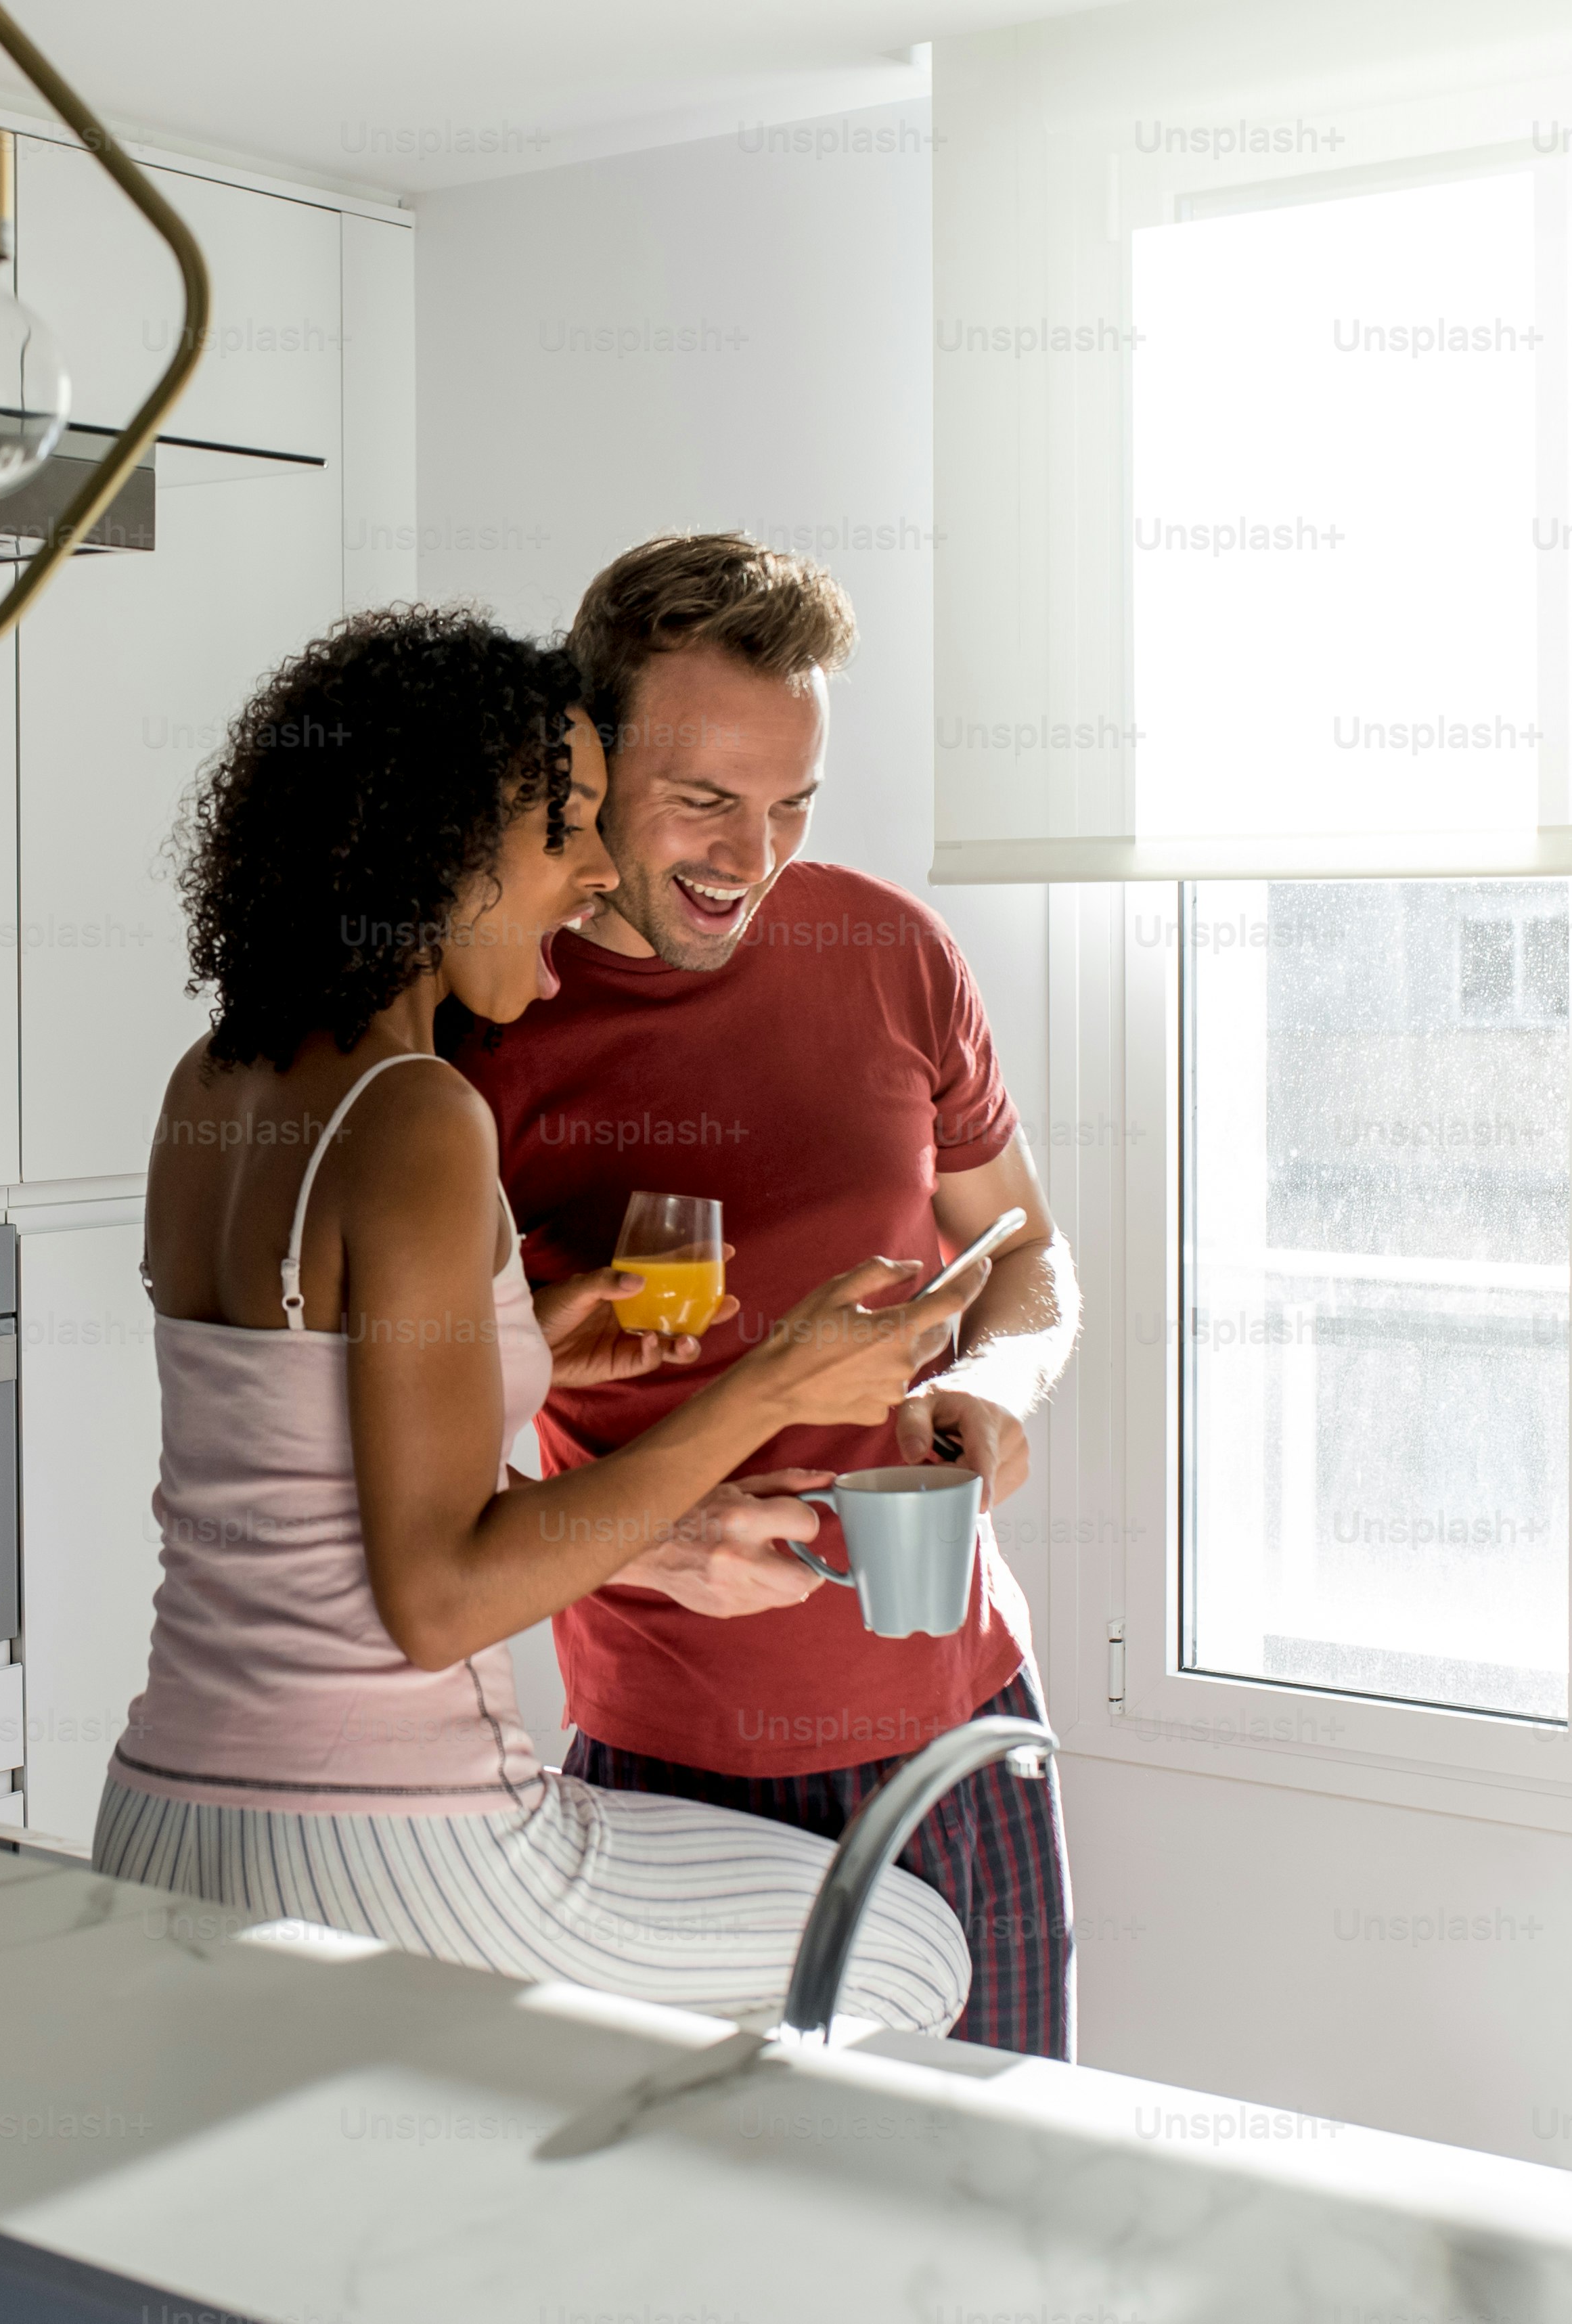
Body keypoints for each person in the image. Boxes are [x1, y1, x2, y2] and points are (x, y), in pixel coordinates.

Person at [93, 604, 996, 2035]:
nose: (594, 871)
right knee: (911, 1946)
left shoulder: (213, 1079)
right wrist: (768, 1387)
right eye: (563, 827)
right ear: (439, 842)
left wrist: (528, 1343)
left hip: (163, 1814)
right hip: (396, 1832)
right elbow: (438, 1597)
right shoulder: (420, 1112)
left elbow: (292, 1451)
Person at [449, 534, 1086, 2057]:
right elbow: (400, 1479)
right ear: (590, 765)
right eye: (705, 800)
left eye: (794, 801)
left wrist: (991, 1389)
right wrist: (655, 1542)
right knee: (721, 2193)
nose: (754, 855)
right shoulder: (489, 1027)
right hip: (675, 1769)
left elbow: (1027, 1252)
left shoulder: (891, 951)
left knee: (1016, 2175)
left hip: (969, 1724)